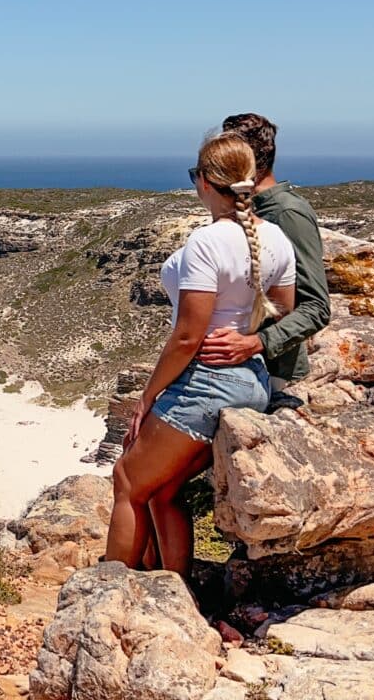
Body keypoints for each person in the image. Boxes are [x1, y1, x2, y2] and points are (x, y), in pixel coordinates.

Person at [105, 132, 296, 577]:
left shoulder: (207, 242)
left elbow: (188, 337)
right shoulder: (276, 238)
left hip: (204, 383)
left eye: (195, 175)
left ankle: (111, 589)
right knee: (163, 490)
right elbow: (286, 307)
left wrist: (147, 397)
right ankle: (177, 589)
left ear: (206, 181)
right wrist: (246, 337)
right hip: (251, 380)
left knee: (128, 481)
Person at [197, 113, 331, 388]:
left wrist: (255, 343)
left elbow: (317, 307)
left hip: (272, 370)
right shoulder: (248, 209)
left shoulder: (286, 213)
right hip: (235, 367)